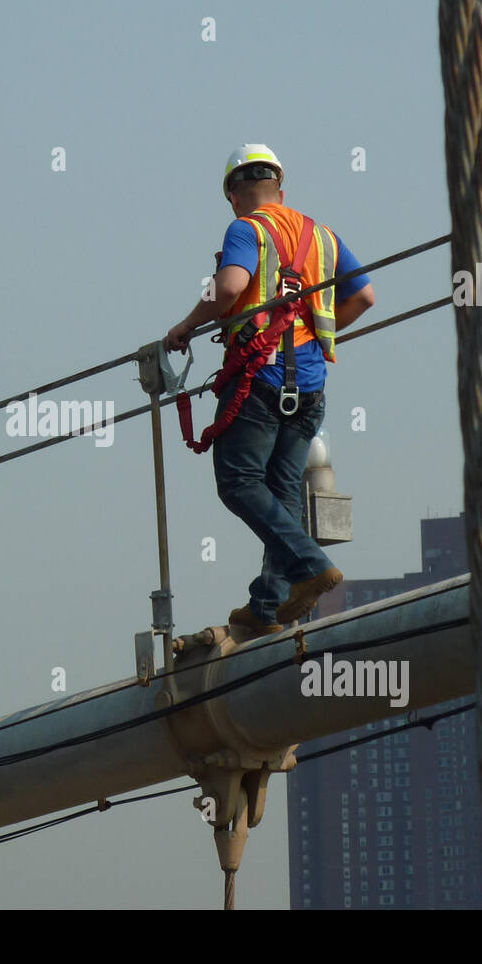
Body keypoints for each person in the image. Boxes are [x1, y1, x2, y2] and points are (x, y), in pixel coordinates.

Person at [164, 145, 375, 638]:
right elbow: (364, 296)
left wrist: (185, 326)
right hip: (310, 389)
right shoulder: (322, 236)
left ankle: (309, 564)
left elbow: (232, 285)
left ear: (234, 195)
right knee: (280, 493)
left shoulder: (247, 228)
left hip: (259, 378)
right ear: (282, 190)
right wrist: (320, 333)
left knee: (238, 482)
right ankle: (268, 608)